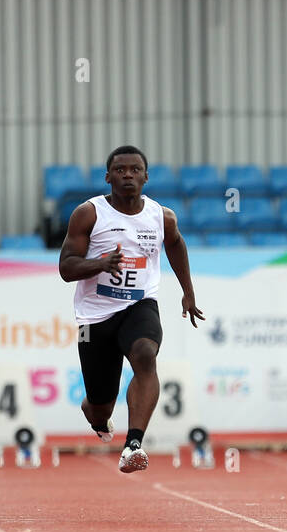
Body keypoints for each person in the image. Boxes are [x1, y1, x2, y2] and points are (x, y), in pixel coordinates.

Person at [59, 146, 204, 474]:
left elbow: (176, 244)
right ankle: (97, 416)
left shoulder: (161, 216)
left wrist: (188, 292)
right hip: (94, 317)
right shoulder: (89, 213)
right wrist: (99, 264)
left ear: (146, 176)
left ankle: (133, 444)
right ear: (108, 177)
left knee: (144, 354)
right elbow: (66, 268)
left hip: (139, 304)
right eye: (121, 170)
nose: (128, 175)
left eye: (135, 170)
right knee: (100, 405)